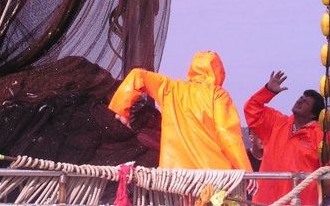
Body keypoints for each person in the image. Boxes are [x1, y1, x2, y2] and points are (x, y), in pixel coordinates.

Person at [108, 51, 252, 171]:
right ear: (219, 72)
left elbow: (137, 75)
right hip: (213, 178)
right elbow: (227, 134)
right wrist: (245, 169)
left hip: (175, 178)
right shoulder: (218, 95)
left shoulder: (170, 88)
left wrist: (121, 111)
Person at [244, 70, 330, 205]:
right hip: (264, 202)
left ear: (313, 115)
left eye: (306, 102)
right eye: (301, 97)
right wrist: (268, 91)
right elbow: (251, 109)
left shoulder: (322, 136)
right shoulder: (276, 122)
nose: (300, 100)